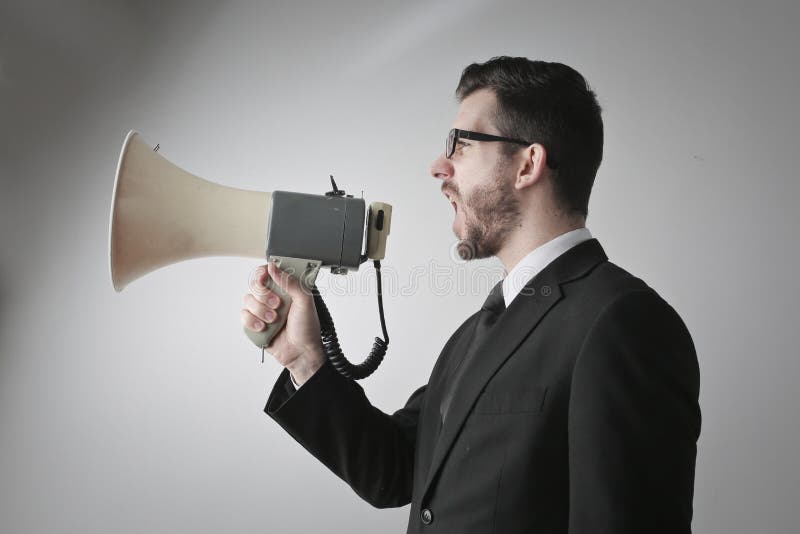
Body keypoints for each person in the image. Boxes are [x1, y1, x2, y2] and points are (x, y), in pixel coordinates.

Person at [241, 57, 701, 534]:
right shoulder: (477, 332)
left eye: (460, 145)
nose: (438, 167)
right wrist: (304, 361)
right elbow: (398, 473)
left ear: (528, 164)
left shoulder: (624, 323)